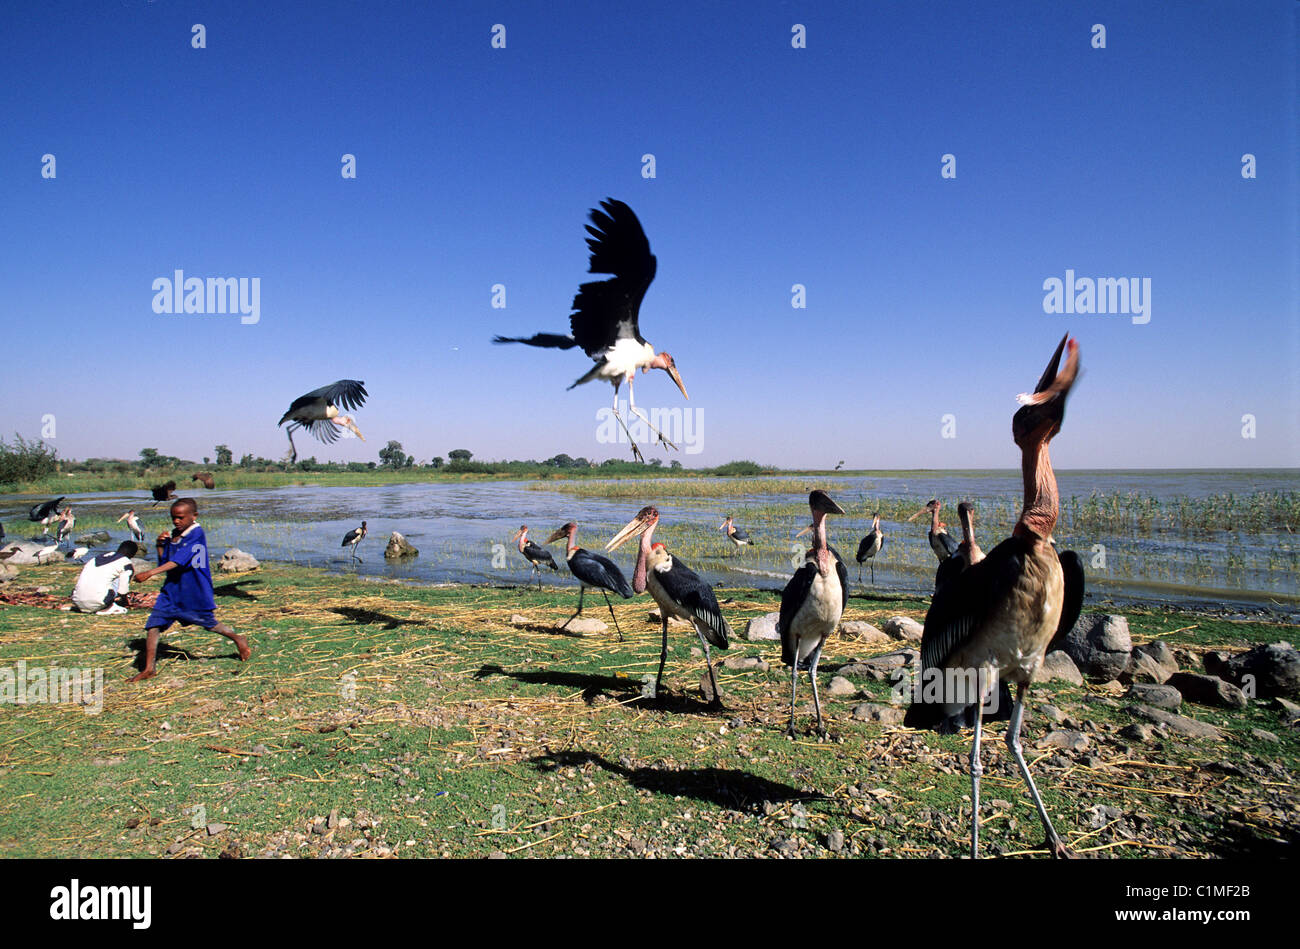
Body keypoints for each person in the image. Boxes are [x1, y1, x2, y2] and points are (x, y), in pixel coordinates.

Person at [130, 498, 250, 682]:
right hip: (172, 589)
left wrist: (149, 573)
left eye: (180, 518)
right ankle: (149, 668)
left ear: (194, 516)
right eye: (173, 518)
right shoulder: (172, 535)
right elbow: (166, 561)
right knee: (154, 624)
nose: (176, 521)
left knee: (207, 622)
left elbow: (179, 561)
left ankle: (237, 638)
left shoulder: (196, 534)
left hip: (193, 589)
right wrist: (160, 546)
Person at [70, 541, 139, 614]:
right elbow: (122, 591)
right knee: (120, 577)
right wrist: (125, 602)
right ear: (132, 554)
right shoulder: (126, 562)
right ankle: (105, 609)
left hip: (77, 601)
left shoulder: (95, 558)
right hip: (100, 602)